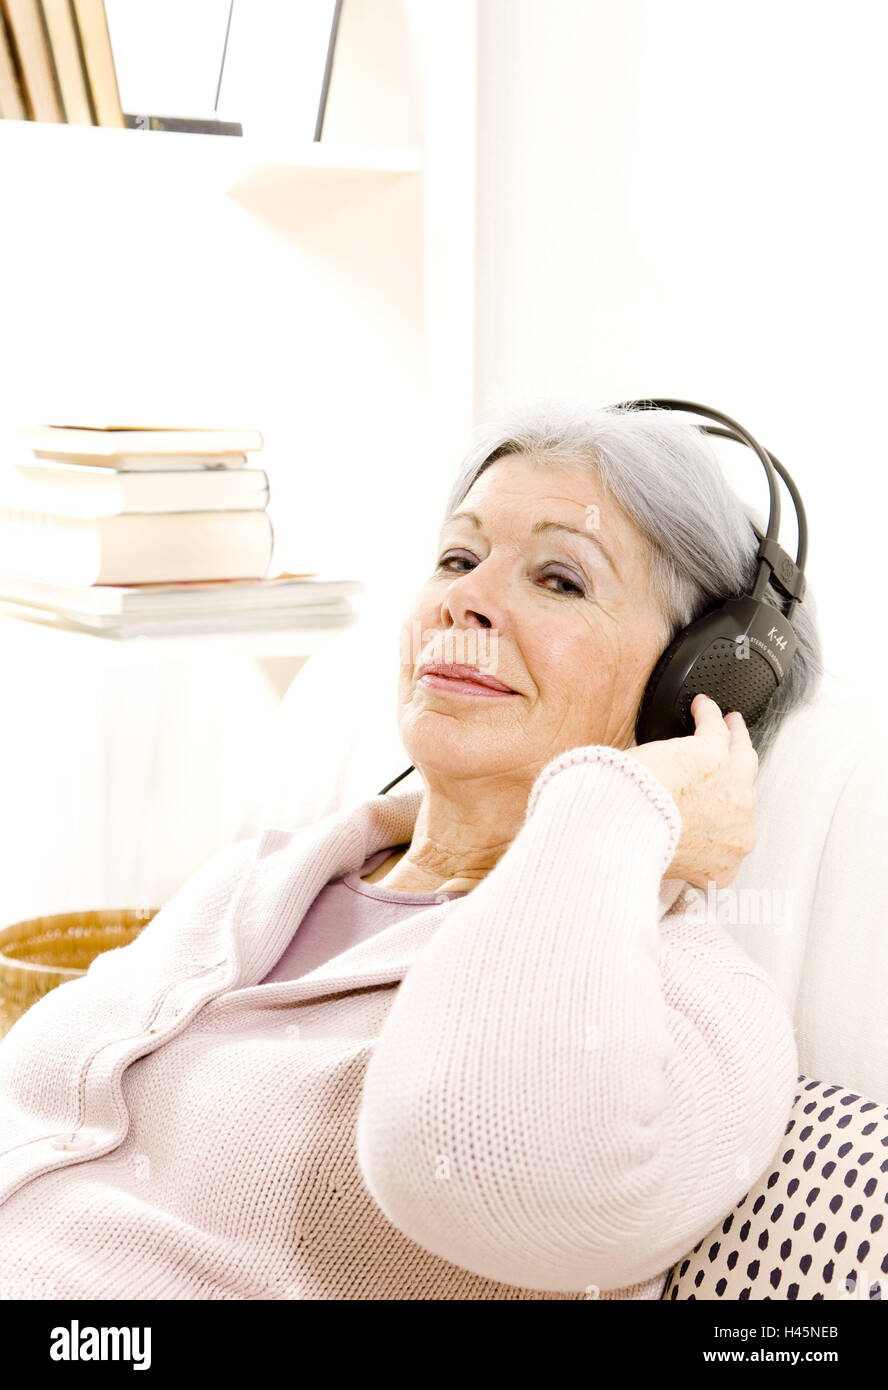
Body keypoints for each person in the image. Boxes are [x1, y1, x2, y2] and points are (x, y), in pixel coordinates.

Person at [0, 402, 822, 1301]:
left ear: (697, 680)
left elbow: (480, 1168)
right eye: (459, 558)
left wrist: (610, 810)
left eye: (560, 580)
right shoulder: (261, 878)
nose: (463, 599)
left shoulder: (698, 1000)